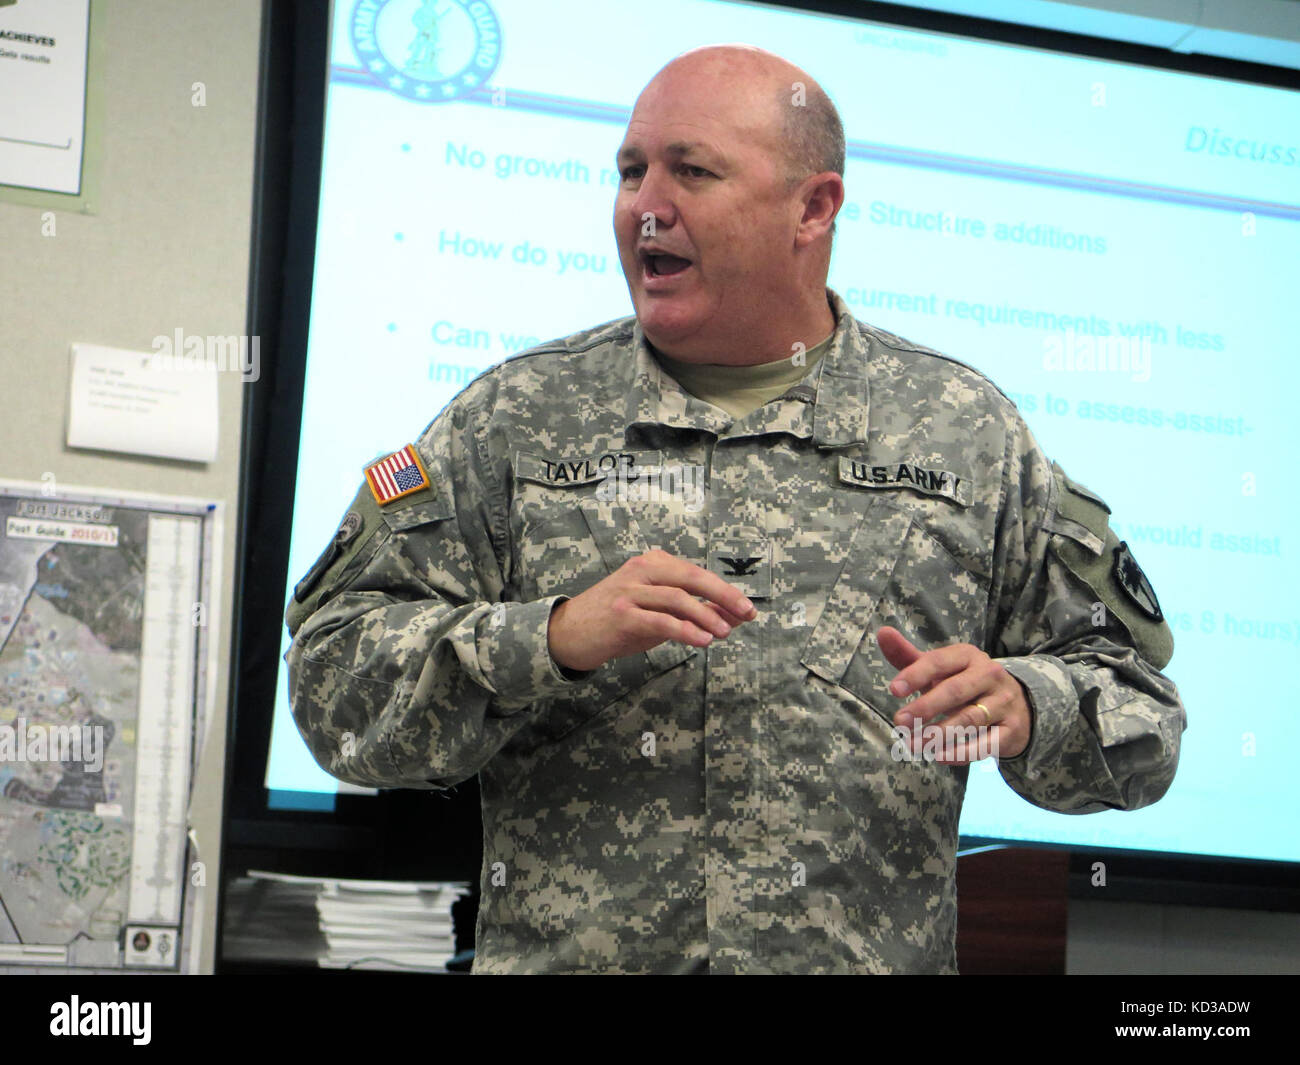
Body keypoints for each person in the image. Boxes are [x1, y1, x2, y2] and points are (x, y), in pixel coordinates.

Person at [284, 44, 1185, 974]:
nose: (646, 204)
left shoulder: (967, 435)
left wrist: (1029, 704)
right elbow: (329, 686)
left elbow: (1145, 723)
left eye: (692, 170)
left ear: (814, 207)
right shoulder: (510, 423)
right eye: (631, 171)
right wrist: (548, 639)